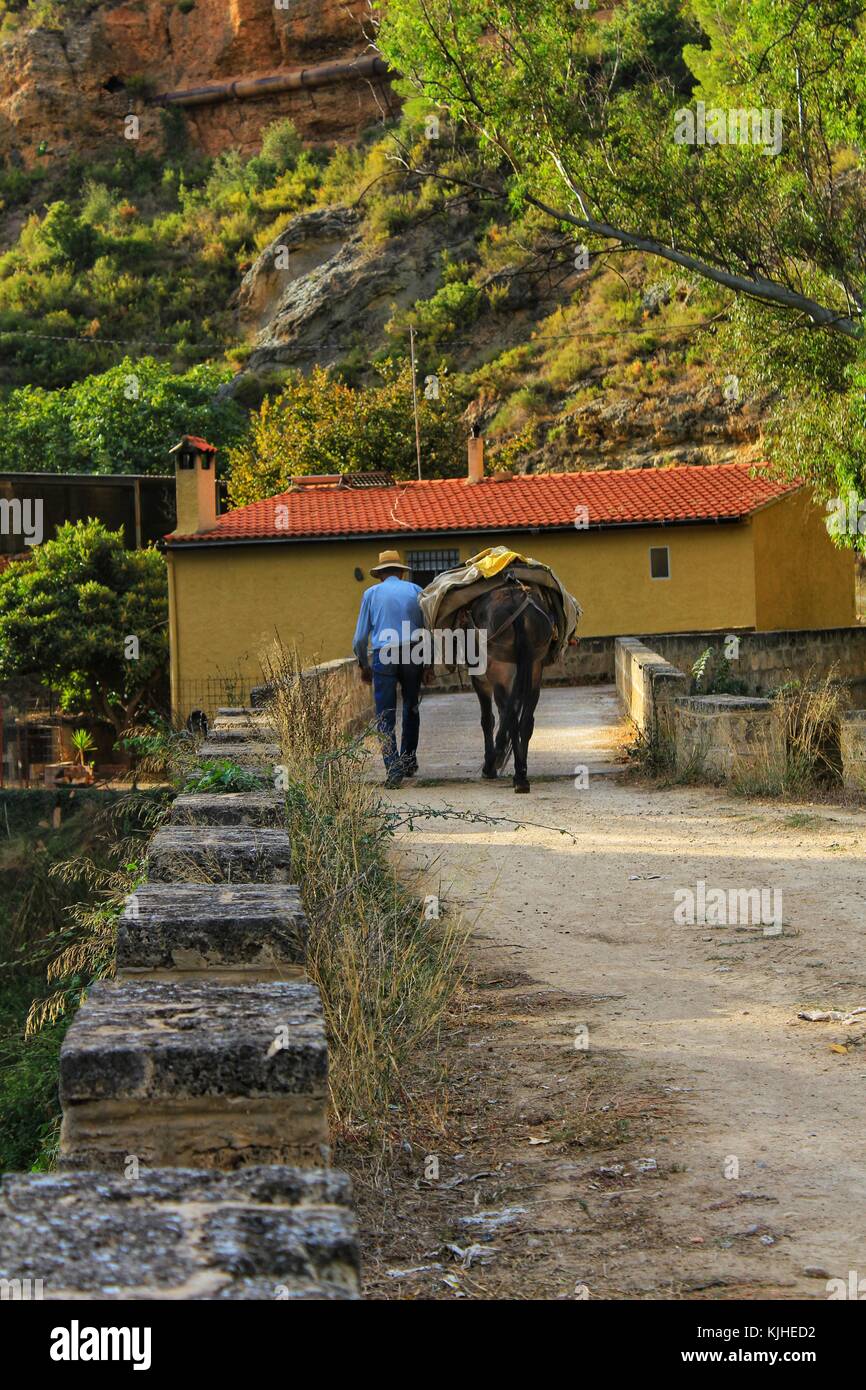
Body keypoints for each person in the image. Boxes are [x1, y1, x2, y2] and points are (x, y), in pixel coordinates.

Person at [353, 549, 424, 788]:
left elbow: (360, 638)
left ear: (381, 574)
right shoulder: (416, 591)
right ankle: (408, 759)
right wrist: (430, 664)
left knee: (385, 714)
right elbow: (429, 631)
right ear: (401, 573)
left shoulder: (371, 593)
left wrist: (363, 663)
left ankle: (393, 769)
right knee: (412, 707)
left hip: (385, 653)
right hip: (413, 651)